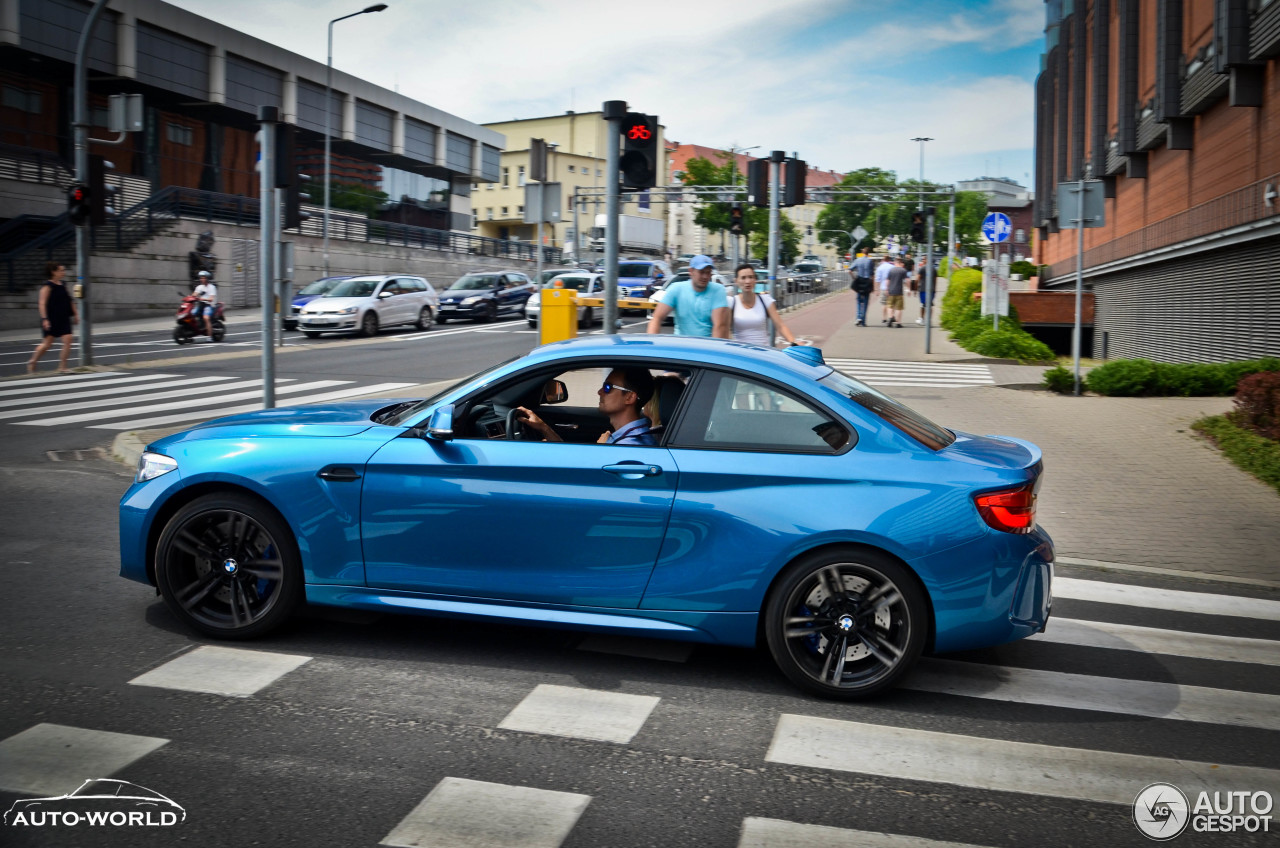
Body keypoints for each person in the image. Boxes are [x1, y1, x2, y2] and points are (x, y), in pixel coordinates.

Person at [517, 367, 657, 446]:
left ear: (629, 397)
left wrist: (603, 450)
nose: (599, 392)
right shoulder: (630, 436)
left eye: (608, 387)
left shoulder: (632, 444)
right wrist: (544, 428)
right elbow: (576, 463)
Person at [646, 254, 729, 338]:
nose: (705, 276)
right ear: (691, 271)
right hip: (682, 345)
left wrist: (714, 349)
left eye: (708, 273)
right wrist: (652, 345)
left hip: (707, 345)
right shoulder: (676, 289)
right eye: (701, 272)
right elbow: (657, 318)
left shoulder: (718, 290)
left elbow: (719, 325)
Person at [27, 262, 78, 374]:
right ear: (53, 272)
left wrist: (76, 314)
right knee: (47, 344)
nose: (63, 272)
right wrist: (45, 319)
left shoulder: (63, 284)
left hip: (64, 317)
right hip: (51, 318)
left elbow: (69, 300)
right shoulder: (47, 287)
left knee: (68, 339)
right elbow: (42, 303)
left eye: (63, 270)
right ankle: (33, 360)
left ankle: (62, 366)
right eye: (61, 270)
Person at [728, 264, 797, 346]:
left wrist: (793, 342)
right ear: (736, 281)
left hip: (762, 352)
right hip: (741, 354)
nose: (747, 281)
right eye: (743, 278)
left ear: (755, 280)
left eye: (751, 277)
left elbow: (780, 325)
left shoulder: (765, 300)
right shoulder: (732, 302)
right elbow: (726, 330)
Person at [849, 250, 875, 326]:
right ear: (868, 253)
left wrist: (854, 278)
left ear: (862, 253)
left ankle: (858, 317)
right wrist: (872, 285)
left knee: (859, 301)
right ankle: (863, 321)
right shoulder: (870, 261)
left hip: (859, 281)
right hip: (867, 282)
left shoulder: (857, 260)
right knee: (866, 302)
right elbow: (872, 275)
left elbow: (850, 271)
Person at [885, 256, 908, 327]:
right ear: (901, 263)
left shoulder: (891, 270)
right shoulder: (903, 270)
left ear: (895, 262)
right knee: (899, 308)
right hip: (899, 292)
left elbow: (887, 281)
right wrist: (908, 289)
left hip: (891, 291)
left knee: (889, 306)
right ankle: (898, 323)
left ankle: (890, 318)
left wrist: (887, 289)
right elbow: (907, 280)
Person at [193, 270, 217, 338]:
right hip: (201, 305)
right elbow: (194, 294)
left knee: (206, 318)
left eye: (203, 278)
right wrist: (189, 297)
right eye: (201, 278)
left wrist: (203, 299)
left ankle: (209, 337)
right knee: (192, 314)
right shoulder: (199, 287)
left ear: (207, 278)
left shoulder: (212, 287)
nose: (202, 279)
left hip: (209, 305)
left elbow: (211, 299)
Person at [874, 255, 894, 324]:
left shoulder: (880, 268)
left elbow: (877, 279)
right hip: (892, 287)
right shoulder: (892, 267)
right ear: (889, 260)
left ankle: (884, 318)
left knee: (884, 303)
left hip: (883, 288)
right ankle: (891, 316)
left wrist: (876, 289)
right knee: (891, 303)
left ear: (883, 260)